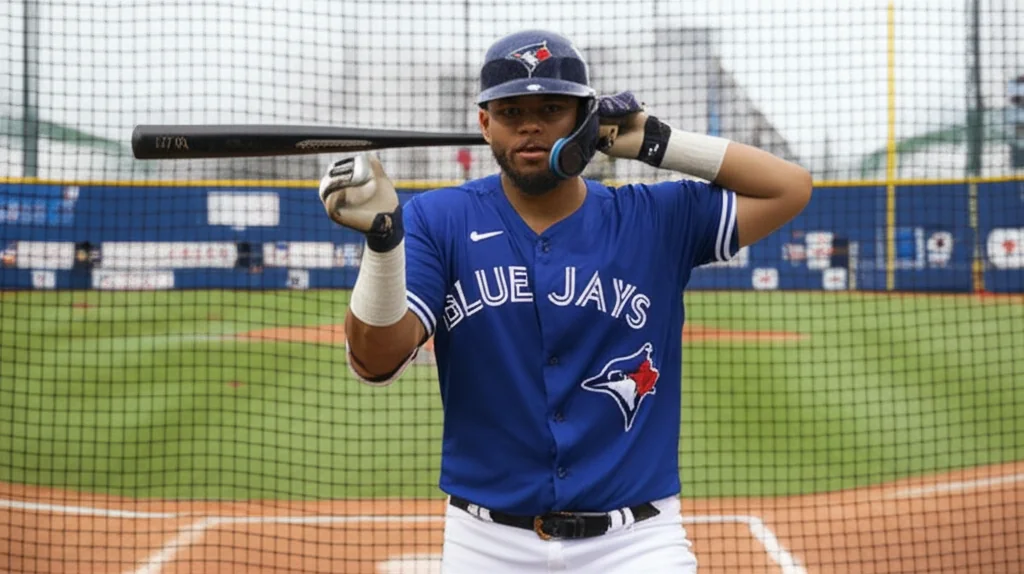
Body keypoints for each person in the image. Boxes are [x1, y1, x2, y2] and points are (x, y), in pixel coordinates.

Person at [318, 29, 812, 574]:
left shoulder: (652, 217)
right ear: (485, 124)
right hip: (486, 543)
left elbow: (789, 188)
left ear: (585, 118)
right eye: (511, 111)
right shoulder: (439, 221)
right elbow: (375, 361)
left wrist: (657, 142)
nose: (530, 125)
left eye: (551, 108)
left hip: (637, 543)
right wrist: (384, 243)